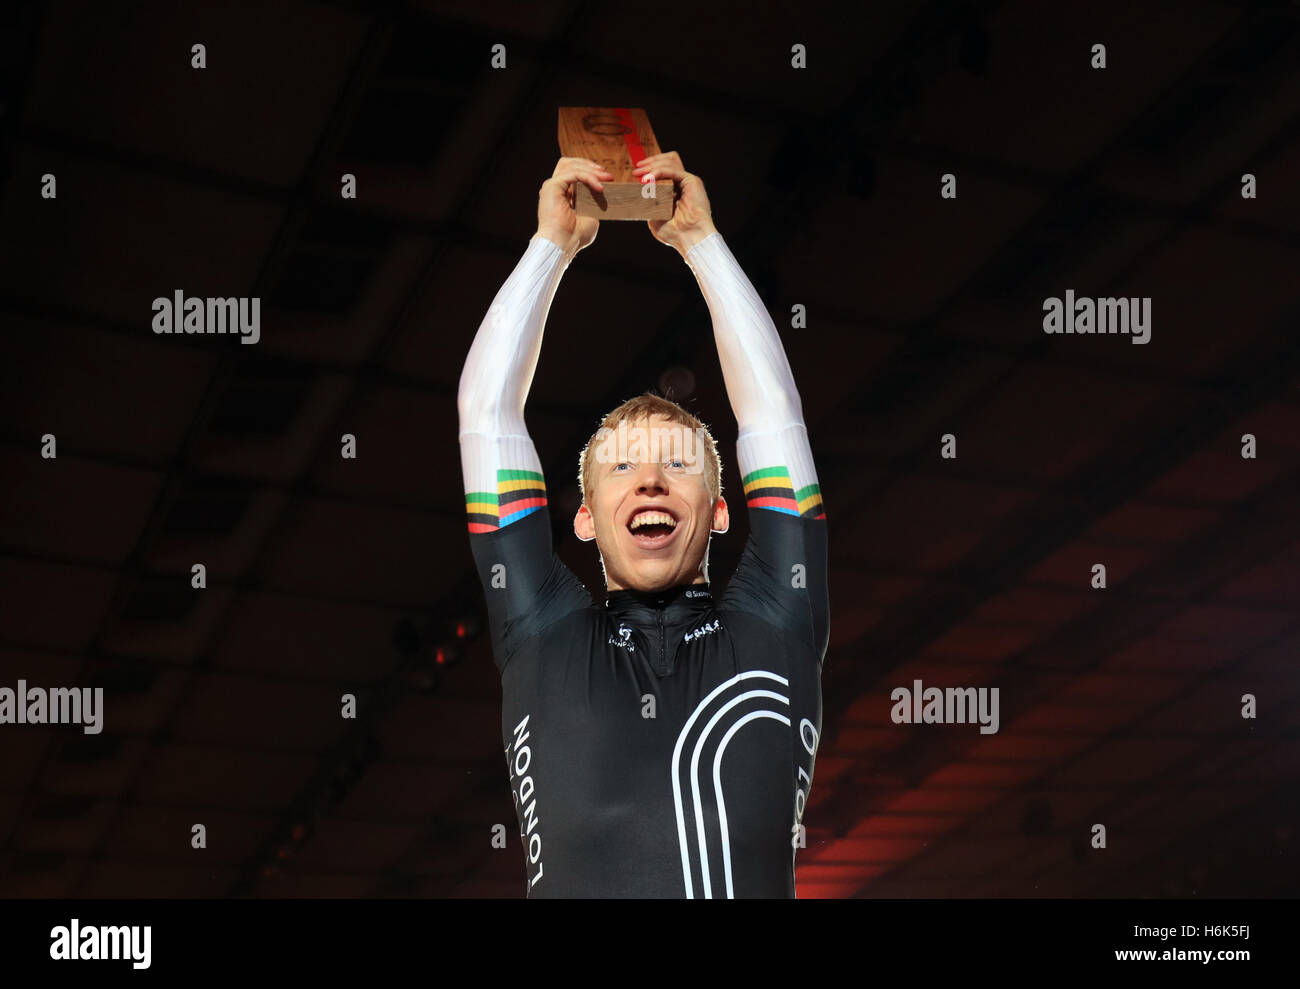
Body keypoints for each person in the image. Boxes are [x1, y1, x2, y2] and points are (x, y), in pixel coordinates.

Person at [457, 152, 828, 897]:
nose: (652, 477)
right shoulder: (541, 634)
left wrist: (701, 241)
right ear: (585, 519)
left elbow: (774, 418)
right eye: (622, 467)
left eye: (680, 464)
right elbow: (485, 414)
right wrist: (551, 247)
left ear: (723, 511)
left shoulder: (780, 619)